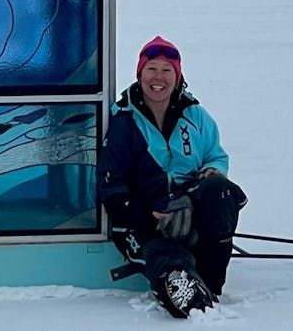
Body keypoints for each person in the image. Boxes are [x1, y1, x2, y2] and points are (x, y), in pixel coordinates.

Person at [99, 36, 247, 318]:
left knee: (220, 190)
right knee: (166, 257)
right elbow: (111, 186)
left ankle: (211, 282)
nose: (159, 77)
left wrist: (212, 172)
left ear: (178, 77)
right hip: (142, 223)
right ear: (139, 73)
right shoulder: (123, 121)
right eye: (151, 69)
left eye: (167, 70)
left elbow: (215, 156)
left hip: (188, 214)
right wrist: (150, 214)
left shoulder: (197, 116)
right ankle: (183, 287)